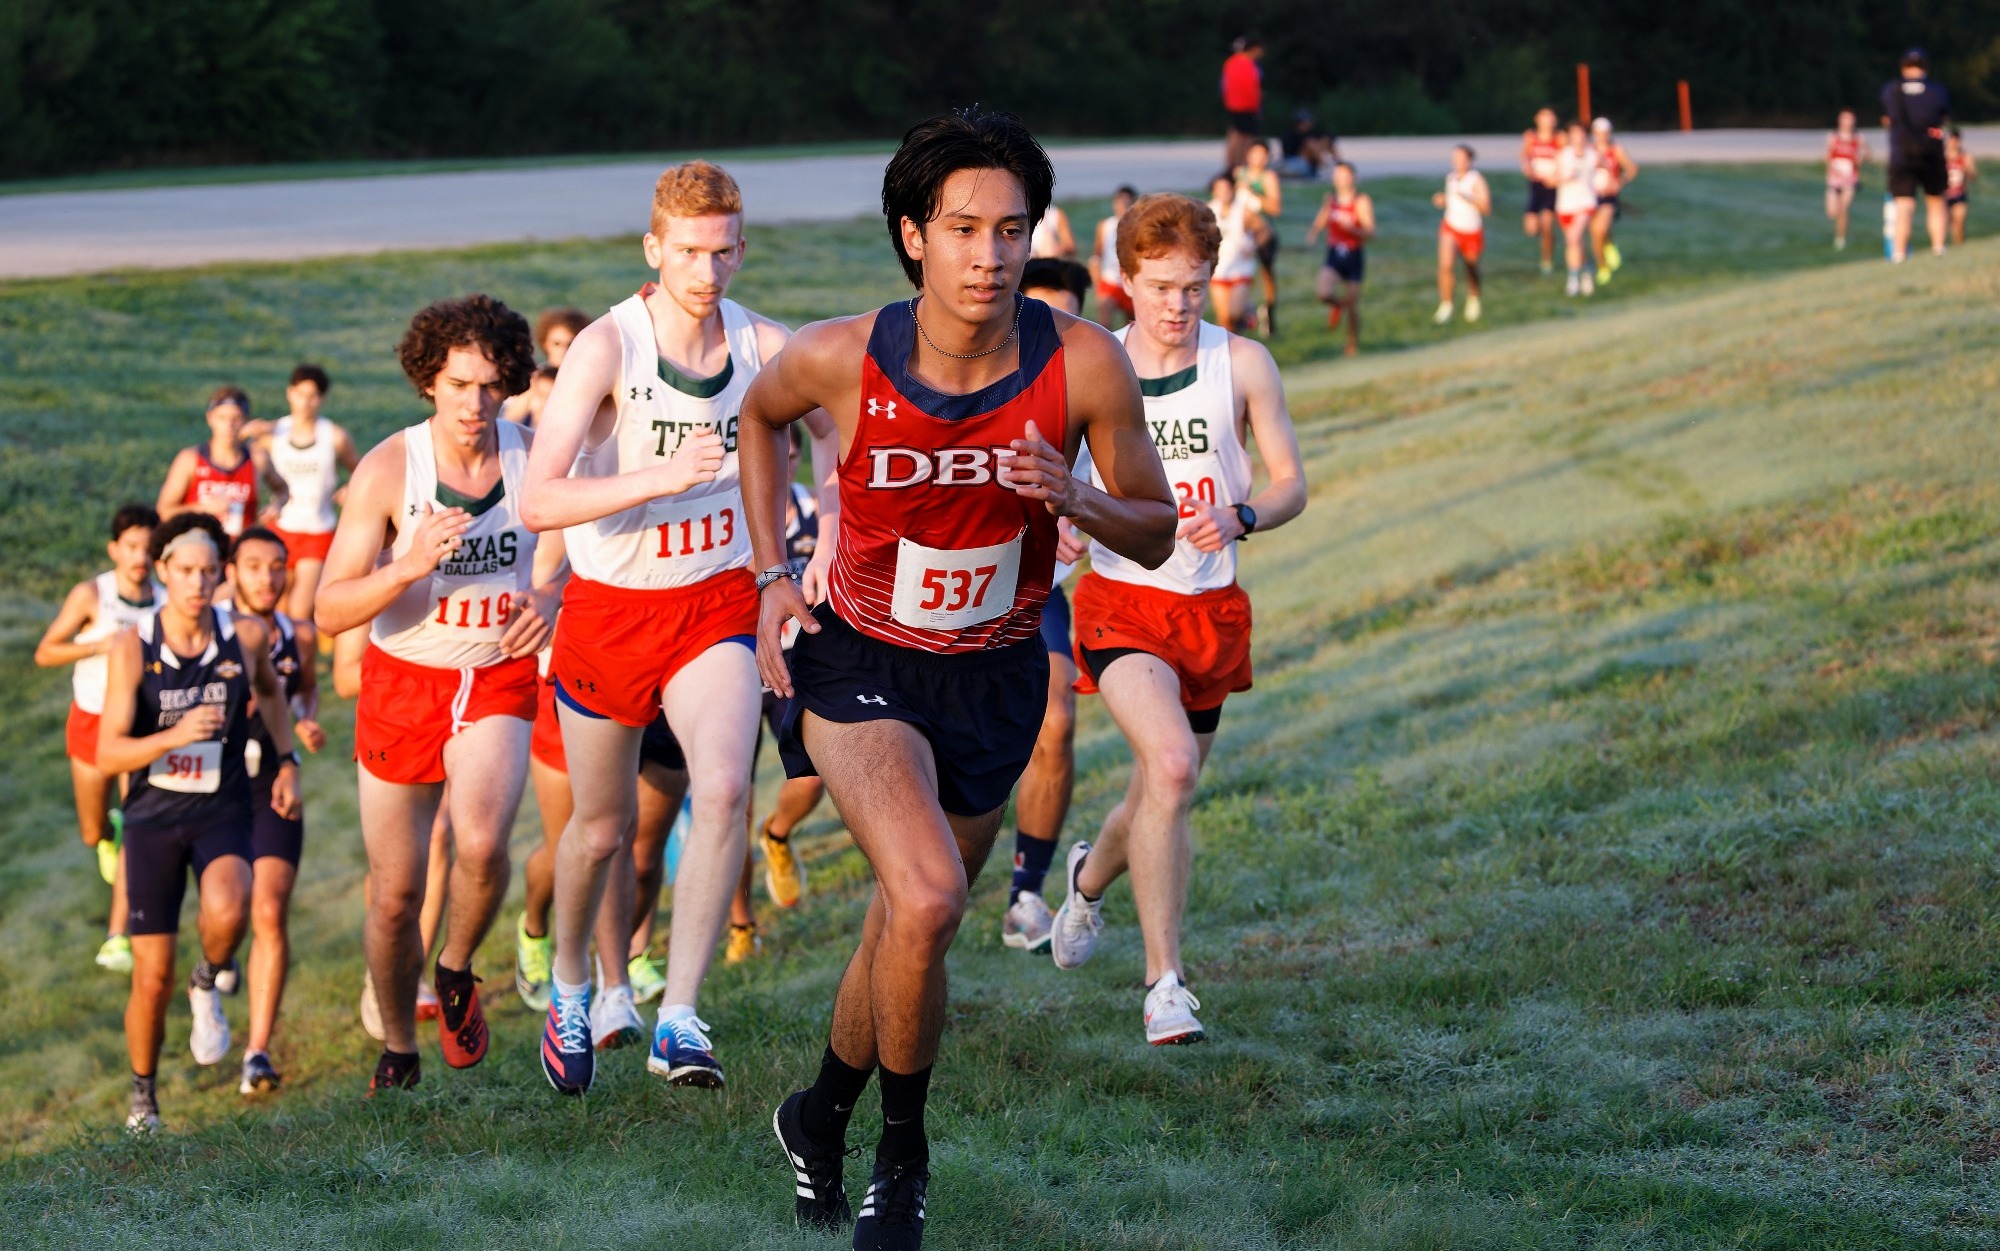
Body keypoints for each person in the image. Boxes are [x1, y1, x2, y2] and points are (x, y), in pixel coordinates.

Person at [740, 108, 1176, 1250]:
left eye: (1011, 231)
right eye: (964, 228)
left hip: (992, 677)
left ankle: (815, 1114)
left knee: (907, 919)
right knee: (930, 895)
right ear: (912, 235)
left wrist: (1074, 497)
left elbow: (1155, 532)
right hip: (859, 662)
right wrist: (769, 570)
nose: (989, 255)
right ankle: (904, 1157)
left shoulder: (1081, 360)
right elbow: (758, 416)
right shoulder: (843, 354)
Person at [520, 160, 838, 1097]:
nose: (709, 269)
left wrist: (831, 531)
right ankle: (573, 987)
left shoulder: (765, 344)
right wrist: (656, 478)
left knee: (727, 789)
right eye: (691, 251)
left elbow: (832, 428)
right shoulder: (606, 348)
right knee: (601, 829)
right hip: (612, 609)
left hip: (716, 602)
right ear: (655, 248)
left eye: (725, 250)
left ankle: (681, 1018)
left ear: (742, 248)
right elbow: (539, 498)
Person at [1049, 190, 1306, 1047]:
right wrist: (1066, 531)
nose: (1177, 304)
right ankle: (1165, 984)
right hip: (1123, 603)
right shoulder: (1093, 364)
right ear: (1123, 281)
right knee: (1171, 767)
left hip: (1212, 609)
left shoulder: (1244, 364)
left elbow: (1289, 483)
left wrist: (1242, 516)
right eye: (1160, 286)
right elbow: (1063, 480)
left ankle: (1087, 876)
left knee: (1161, 788)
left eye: (1193, 286)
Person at [315, 293, 560, 1094]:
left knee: (484, 843)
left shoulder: (534, 454)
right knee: (395, 895)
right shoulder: (391, 467)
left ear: (511, 383)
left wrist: (549, 601)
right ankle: (396, 1045)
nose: (474, 402)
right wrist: (406, 565)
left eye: (490, 385)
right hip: (403, 679)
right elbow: (328, 608)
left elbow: (586, 549)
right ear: (429, 382)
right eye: (458, 384)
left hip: (495, 668)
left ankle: (455, 969)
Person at [95, 513, 301, 1132]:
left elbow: (270, 694)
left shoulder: (243, 635)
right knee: (150, 976)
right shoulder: (131, 647)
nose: (197, 581)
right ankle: (143, 1097)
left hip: (221, 806)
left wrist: (287, 759)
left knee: (233, 907)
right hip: (153, 818)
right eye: (184, 569)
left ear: (221, 574)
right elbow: (108, 752)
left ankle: (207, 979)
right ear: (162, 571)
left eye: (209, 570)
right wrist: (175, 736)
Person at [514, 639, 693, 1043]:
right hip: (578, 677)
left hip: (661, 676)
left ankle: (613, 965)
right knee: (575, 847)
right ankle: (538, 931)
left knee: (644, 859)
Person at [1004, 261, 1093, 953]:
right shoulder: (965, 375)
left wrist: (1081, 522)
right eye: (1037, 316)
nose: (1049, 333)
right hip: (943, 592)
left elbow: (1120, 490)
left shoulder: (1096, 388)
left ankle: (1026, 893)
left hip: (1040, 590)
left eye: (1064, 320)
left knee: (1056, 717)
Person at [222, 527, 326, 1094]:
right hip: (216, 789)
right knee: (230, 909)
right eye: (255, 565)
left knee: (269, 909)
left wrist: (303, 719)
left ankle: (257, 1052)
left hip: (276, 782)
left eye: (278, 565)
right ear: (231, 571)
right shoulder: (211, 633)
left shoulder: (299, 635)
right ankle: (214, 963)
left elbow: (306, 691)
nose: (268, 577)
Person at [35, 504, 161, 972]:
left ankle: (117, 937)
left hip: (139, 727)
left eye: (149, 548)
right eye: (131, 547)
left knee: (139, 823)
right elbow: (46, 651)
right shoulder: (91, 595)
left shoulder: (167, 599)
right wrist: (99, 646)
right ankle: (110, 837)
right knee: (93, 830)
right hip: (90, 722)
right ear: (114, 549)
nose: (140, 557)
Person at [731, 422, 838, 961]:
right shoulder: (728, 519)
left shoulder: (813, 510)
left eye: (790, 454)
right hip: (732, 664)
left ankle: (778, 835)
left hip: (795, 660)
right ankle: (741, 925)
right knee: (730, 799)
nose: (781, 464)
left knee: (815, 772)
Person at [252, 364, 359, 621]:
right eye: (300, 394)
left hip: (317, 529)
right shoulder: (270, 434)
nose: (305, 403)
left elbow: (361, 470)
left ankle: (299, 657)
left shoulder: (334, 436)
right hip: (281, 527)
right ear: (290, 393)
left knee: (300, 610)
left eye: (313, 397)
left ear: (321, 399)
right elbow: (249, 470)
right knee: (277, 605)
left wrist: (349, 489)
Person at [158, 387, 267, 541]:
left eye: (236, 418)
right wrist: (203, 509)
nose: (229, 425)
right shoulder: (190, 459)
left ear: (246, 420)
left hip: (239, 552)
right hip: (198, 550)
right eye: (222, 418)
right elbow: (164, 511)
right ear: (210, 418)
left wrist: (273, 509)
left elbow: (283, 490)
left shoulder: (257, 458)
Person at [1881, 48, 1952, 262]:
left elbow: (1886, 120)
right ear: (1925, 68)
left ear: (1903, 68)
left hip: (1901, 154)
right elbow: (1944, 120)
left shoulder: (1891, 90)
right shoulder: (1937, 90)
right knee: (1936, 202)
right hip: (1931, 152)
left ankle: (1899, 254)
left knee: (1904, 206)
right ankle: (1938, 249)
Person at [1307, 162, 1373, 355]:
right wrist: (1314, 231)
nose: (1340, 178)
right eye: (1337, 175)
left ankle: (1352, 344)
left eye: (1344, 175)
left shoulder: (1361, 201)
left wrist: (1351, 229)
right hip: (1334, 253)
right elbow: (1324, 216)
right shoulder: (1332, 199)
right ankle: (1337, 306)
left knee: (1353, 306)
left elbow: (1371, 232)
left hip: (1354, 255)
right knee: (1323, 292)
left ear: (1353, 178)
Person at [1431, 144, 1489, 325]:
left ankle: (1473, 297)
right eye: (1455, 158)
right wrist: (1442, 200)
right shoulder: (1451, 178)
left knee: (1470, 268)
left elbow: (1486, 208)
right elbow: (1451, 201)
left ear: (1470, 160)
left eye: (1462, 158)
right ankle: (1446, 304)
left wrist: (1469, 198)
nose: (1458, 162)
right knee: (1445, 265)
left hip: (1471, 231)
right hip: (1450, 227)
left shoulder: (1476, 180)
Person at [1236, 141, 1283, 335]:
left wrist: (1254, 193)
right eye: (1255, 154)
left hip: (1265, 233)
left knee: (1266, 273)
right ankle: (1245, 311)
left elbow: (1275, 208)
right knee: (1242, 274)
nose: (1258, 158)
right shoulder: (1241, 174)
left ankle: (1269, 311)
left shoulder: (1268, 177)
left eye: (1263, 155)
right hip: (1243, 233)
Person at [1206, 174, 1261, 336]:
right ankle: (1230, 354)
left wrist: (1253, 246)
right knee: (1224, 319)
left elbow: (1264, 231)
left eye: (1226, 189)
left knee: (1235, 313)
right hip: (1219, 268)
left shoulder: (1244, 210)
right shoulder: (1208, 211)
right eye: (1219, 189)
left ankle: (1246, 309)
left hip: (1241, 267)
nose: (1224, 193)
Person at [1588, 118, 1637, 285]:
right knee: (1596, 232)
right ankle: (1603, 260)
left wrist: (1619, 182)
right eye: (1598, 133)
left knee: (1600, 229)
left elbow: (1631, 169)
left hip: (1608, 197)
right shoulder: (1589, 150)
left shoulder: (1616, 150)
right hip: (1590, 196)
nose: (1601, 136)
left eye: (1605, 133)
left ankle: (1604, 264)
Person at [1555, 120, 1600, 297]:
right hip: (1565, 204)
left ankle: (1573, 279)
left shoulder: (1592, 154)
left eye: (1580, 133)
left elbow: (1605, 171)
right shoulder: (1563, 155)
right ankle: (1587, 270)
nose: (1578, 137)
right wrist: (1564, 178)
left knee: (1574, 238)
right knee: (1575, 243)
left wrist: (1609, 182)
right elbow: (1555, 177)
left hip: (1585, 202)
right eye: (1573, 133)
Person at [1087, 187, 1138, 328]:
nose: (1122, 207)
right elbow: (1098, 249)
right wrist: (1094, 263)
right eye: (1119, 202)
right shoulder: (1105, 225)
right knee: (1104, 323)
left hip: (1131, 282)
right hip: (1110, 280)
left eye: (1126, 203)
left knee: (1133, 325)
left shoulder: (1137, 226)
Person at [1520, 107, 1562, 275]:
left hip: (1552, 187)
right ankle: (1549, 239)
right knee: (1531, 229)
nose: (1547, 121)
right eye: (1544, 117)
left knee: (1547, 223)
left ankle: (1547, 260)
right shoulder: (1531, 137)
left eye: (1550, 117)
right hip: (1536, 186)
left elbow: (1566, 158)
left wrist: (1557, 176)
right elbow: (1524, 155)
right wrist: (1527, 167)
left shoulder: (1559, 139)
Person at [1825, 109, 1871, 250]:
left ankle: (1841, 239)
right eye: (1845, 119)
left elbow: (1868, 154)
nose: (1848, 122)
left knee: (1843, 209)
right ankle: (1840, 234)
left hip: (1850, 180)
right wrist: (1832, 170)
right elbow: (1828, 156)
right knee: (1832, 212)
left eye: (1850, 119)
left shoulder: (1858, 138)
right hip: (1834, 180)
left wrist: (1861, 158)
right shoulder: (1833, 137)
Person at [1220, 37, 1265, 174]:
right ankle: (1240, 163)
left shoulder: (1231, 62)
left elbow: (1224, 86)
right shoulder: (1247, 64)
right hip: (1246, 105)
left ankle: (1232, 163)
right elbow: (1250, 88)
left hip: (1233, 105)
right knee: (1245, 137)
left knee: (1236, 134)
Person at [1278, 109, 1335, 179]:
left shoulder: (1312, 132)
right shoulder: (1289, 134)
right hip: (1293, 163)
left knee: (1324, 141)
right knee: (1310, 144)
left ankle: (1337, 165)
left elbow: (1329, 137)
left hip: (1310, 164)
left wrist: (1321, 143)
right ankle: (1325, 167)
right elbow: (1289, 151)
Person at [1946, 127, 1976, 246]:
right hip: (1945, 195)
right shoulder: (1942, 156)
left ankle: (1959, 245)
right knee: (1948, 225)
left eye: (1955, 140)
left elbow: (1973, 177)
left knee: (1959, 223)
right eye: (1951, 140)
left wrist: (1967, 170)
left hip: (1959, 194)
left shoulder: (1965, 156)